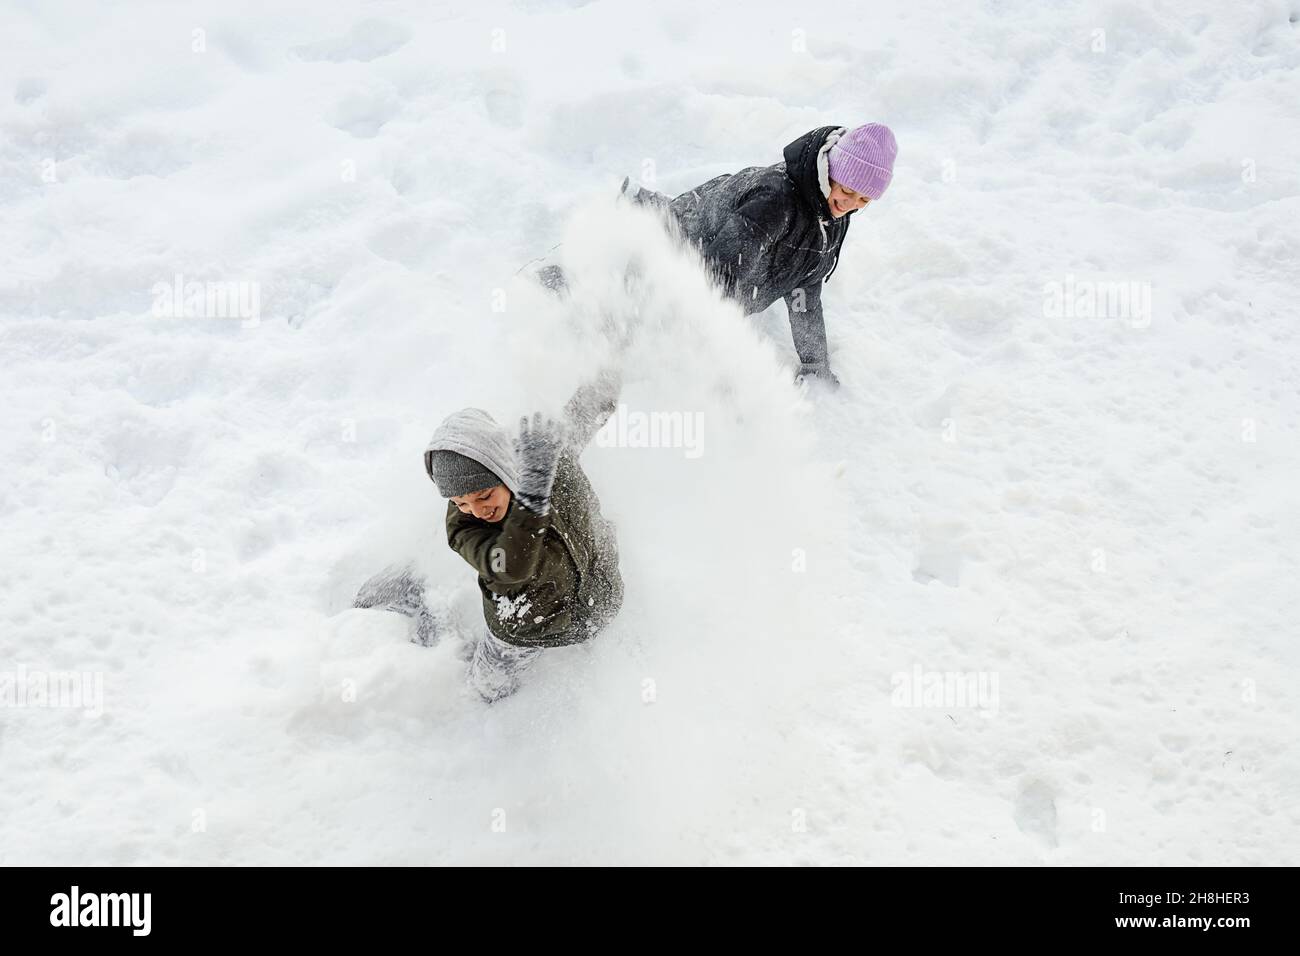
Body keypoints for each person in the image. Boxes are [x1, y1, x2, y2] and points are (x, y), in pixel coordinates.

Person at [627, 123, 898, 387]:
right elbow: (717, 274)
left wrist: (815, 365)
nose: (849, 205)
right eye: (847, 190)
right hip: (689, 241)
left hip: (725, 241)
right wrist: (704, 352)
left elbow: (805, 289)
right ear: (830, 170)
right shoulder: (775, 200)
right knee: (665, 228)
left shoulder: (830, 215)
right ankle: (633, 202)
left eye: (864, 200)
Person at [416, 374, 624, 702]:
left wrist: (615, 356)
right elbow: (509, 566)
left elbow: (589, 404)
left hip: (601, 595)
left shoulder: (549, 457)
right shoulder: (464, 530)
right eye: (459, 502)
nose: (475, 510)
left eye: (483, 495)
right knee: (485, 690)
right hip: (524, 631)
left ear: (502, 468)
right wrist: (533, 493)